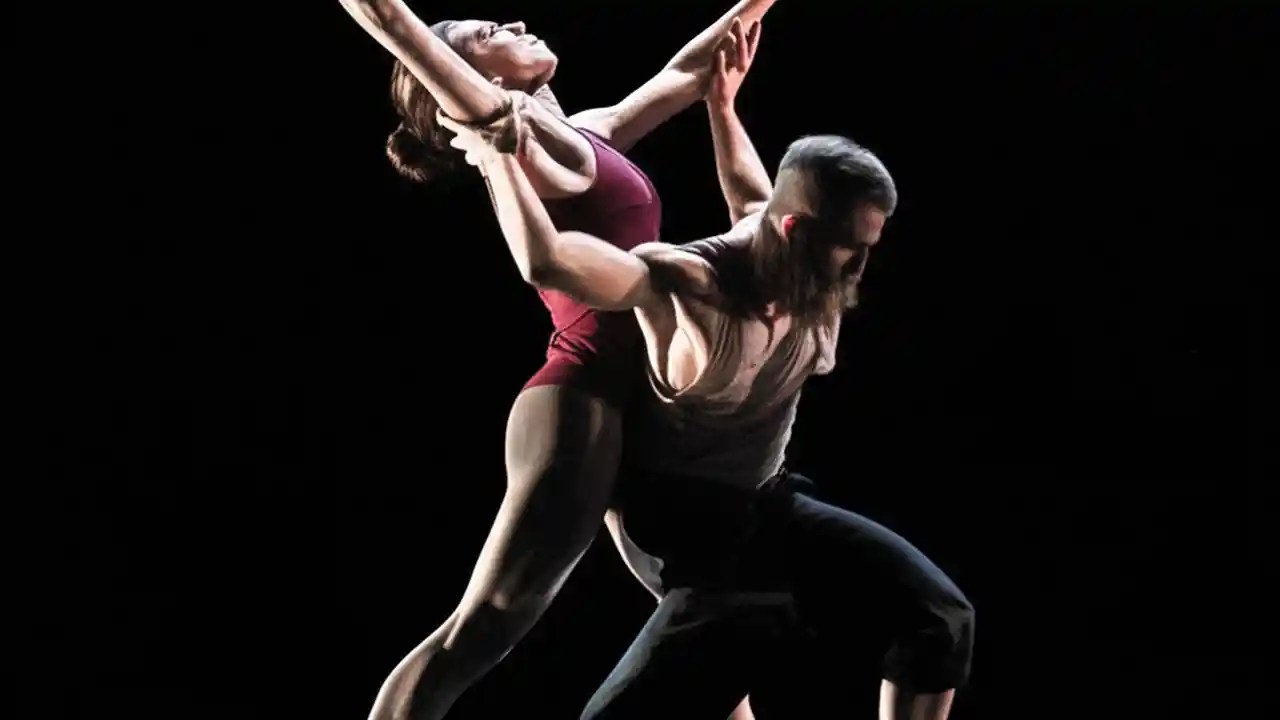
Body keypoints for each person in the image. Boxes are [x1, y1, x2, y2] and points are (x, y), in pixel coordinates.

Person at [436, 18, 977, 718]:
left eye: (869, 244)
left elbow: (752, 194)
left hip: (765, 505)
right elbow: (550, 260)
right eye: (850, 247)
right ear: (798, 234)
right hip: (687, 534)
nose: (862, 266)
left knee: (940, 616)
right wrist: (500, 158)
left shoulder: (793, 260)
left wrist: (721, 109)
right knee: (733, 640)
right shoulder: (685, 280)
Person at [336, 2, 780, 719]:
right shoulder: (516, 139)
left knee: (704, 611)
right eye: (489, 36)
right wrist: (420, 46)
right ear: (468, 77)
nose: (510, 23)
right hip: (583, 401)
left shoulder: (584, 132)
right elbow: (390, 20)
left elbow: (687, 71)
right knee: (482, 629)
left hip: (641, 401)